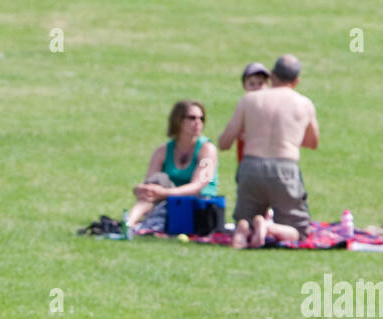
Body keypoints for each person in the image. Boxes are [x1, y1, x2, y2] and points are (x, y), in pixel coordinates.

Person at [217, 54, 320, 248]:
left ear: (272, 76)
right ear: (296, 81)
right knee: (299, 230)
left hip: (251, 166)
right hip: (285, 168)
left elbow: (224, 142)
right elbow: (312, 142)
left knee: (244, 217)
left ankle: (244, 227)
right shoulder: (304, 104)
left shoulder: (250, 100)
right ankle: (268, 227)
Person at [123, 100, 220, 235]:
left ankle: (129, 223)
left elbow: (199, 185)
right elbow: (150, 182)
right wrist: (140, 189)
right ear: (178, 120)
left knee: (156, 185)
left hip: (201, 204)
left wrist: (163, 192)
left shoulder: (208, 150)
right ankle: (128, 224)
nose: (198, 122)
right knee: (155, 182)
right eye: (192, 118)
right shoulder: (163, 151)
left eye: (201, 118)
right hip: (171, 202)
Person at [235, 62, 271, 164]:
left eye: (261, 83)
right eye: (251, 84)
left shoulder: (271, 108)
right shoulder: (243, 108)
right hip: (247, 162)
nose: (256, 88)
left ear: (267, 85)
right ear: (244, 86)